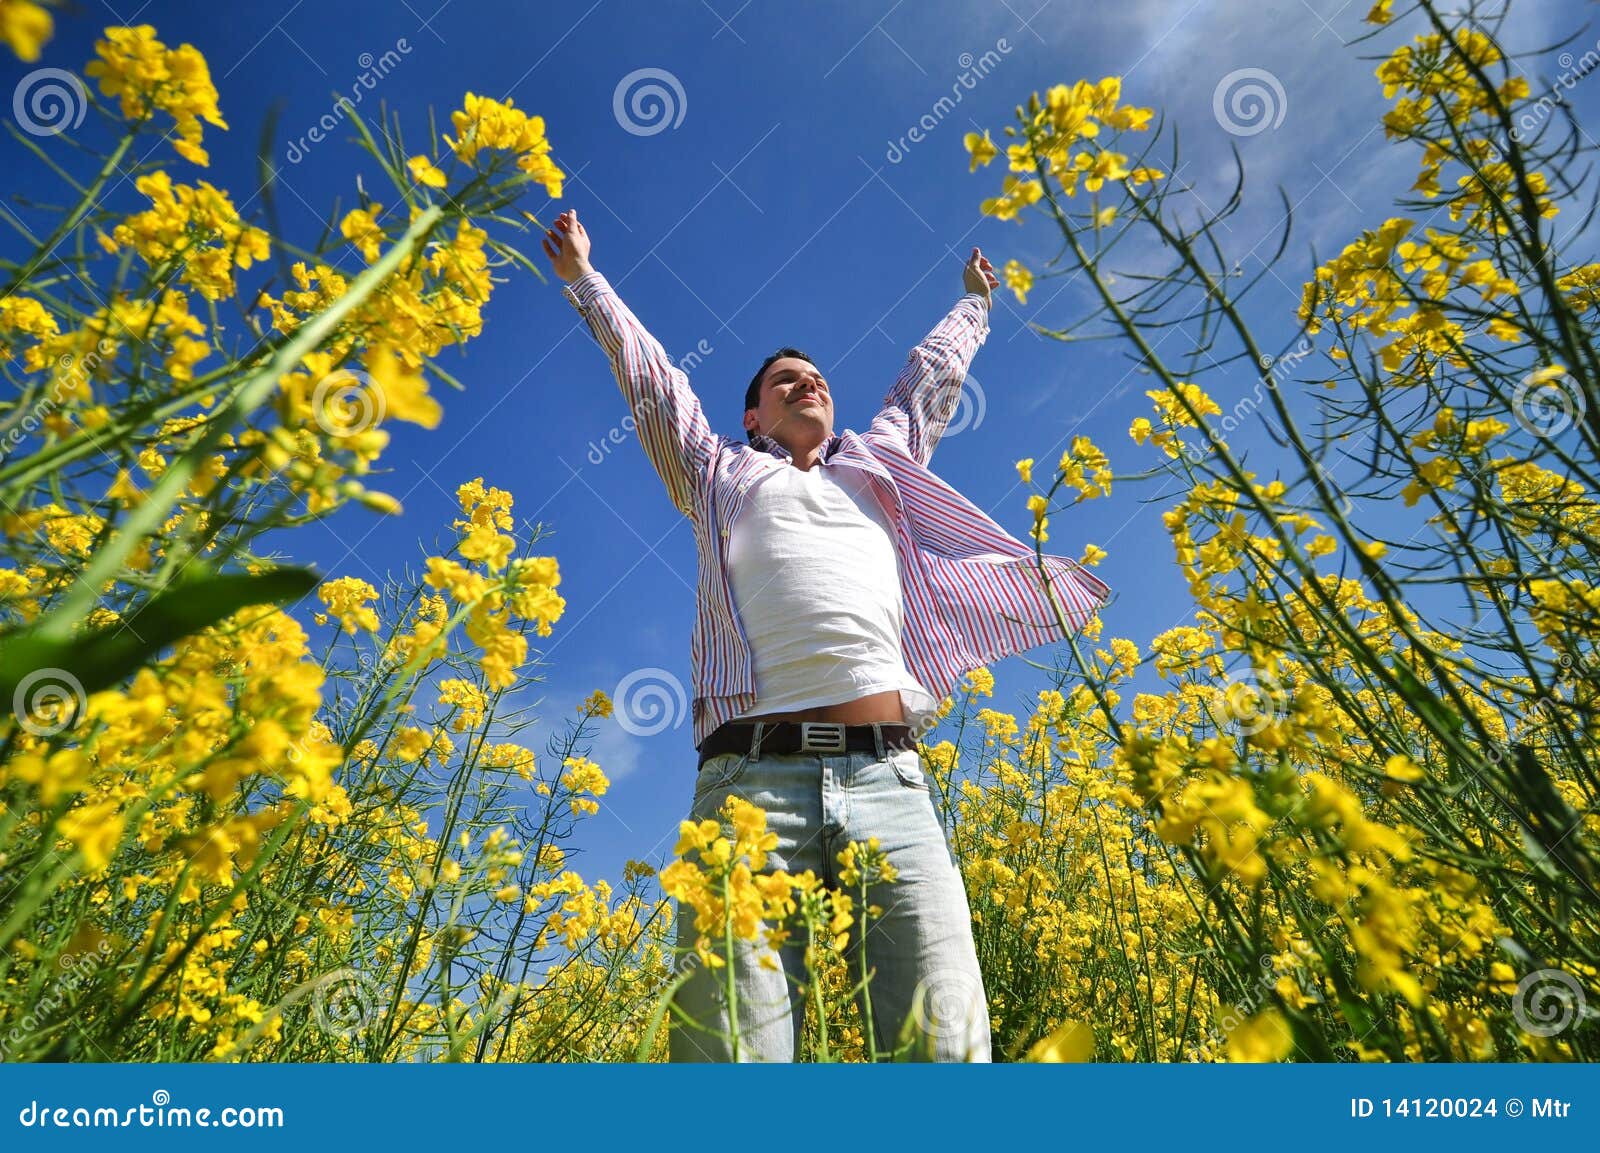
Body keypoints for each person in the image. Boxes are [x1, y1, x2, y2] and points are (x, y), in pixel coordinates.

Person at [543, 208, 1111, 1062]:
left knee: (946, 1045)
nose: (808, 384)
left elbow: (927, 381)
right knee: (734, 1056)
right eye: (785, 382)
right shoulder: (715, 474)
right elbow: (655, 383)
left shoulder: (878, 463)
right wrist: (587, 281)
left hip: (890, 778)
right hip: (748, 785)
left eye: (816, 377)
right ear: (752, 416)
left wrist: (974, 306)